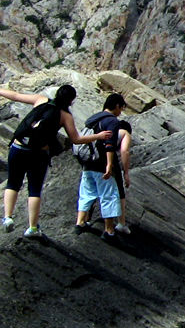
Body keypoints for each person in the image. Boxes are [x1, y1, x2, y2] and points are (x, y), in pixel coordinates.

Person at [1, 84, 112, 238]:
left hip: (18, 147)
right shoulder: (65, 115)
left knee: (13, 183)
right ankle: (32, 228)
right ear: (71, 101)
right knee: (34, 190)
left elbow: (15, 96)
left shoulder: (41, 100)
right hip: (39, 153)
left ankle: (7, 217)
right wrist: (98, 136)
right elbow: (76, 139)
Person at [75, 93, 126, 239]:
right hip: (100, 163)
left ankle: (80, 223)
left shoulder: (93, 119)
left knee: (86, 194)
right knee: (108, 195)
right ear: (117, 106)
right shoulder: (112, 121)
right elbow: (109, 145)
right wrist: (109, 165)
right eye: (121, 108)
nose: (120, 111)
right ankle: (109, 230)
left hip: (87, 162)